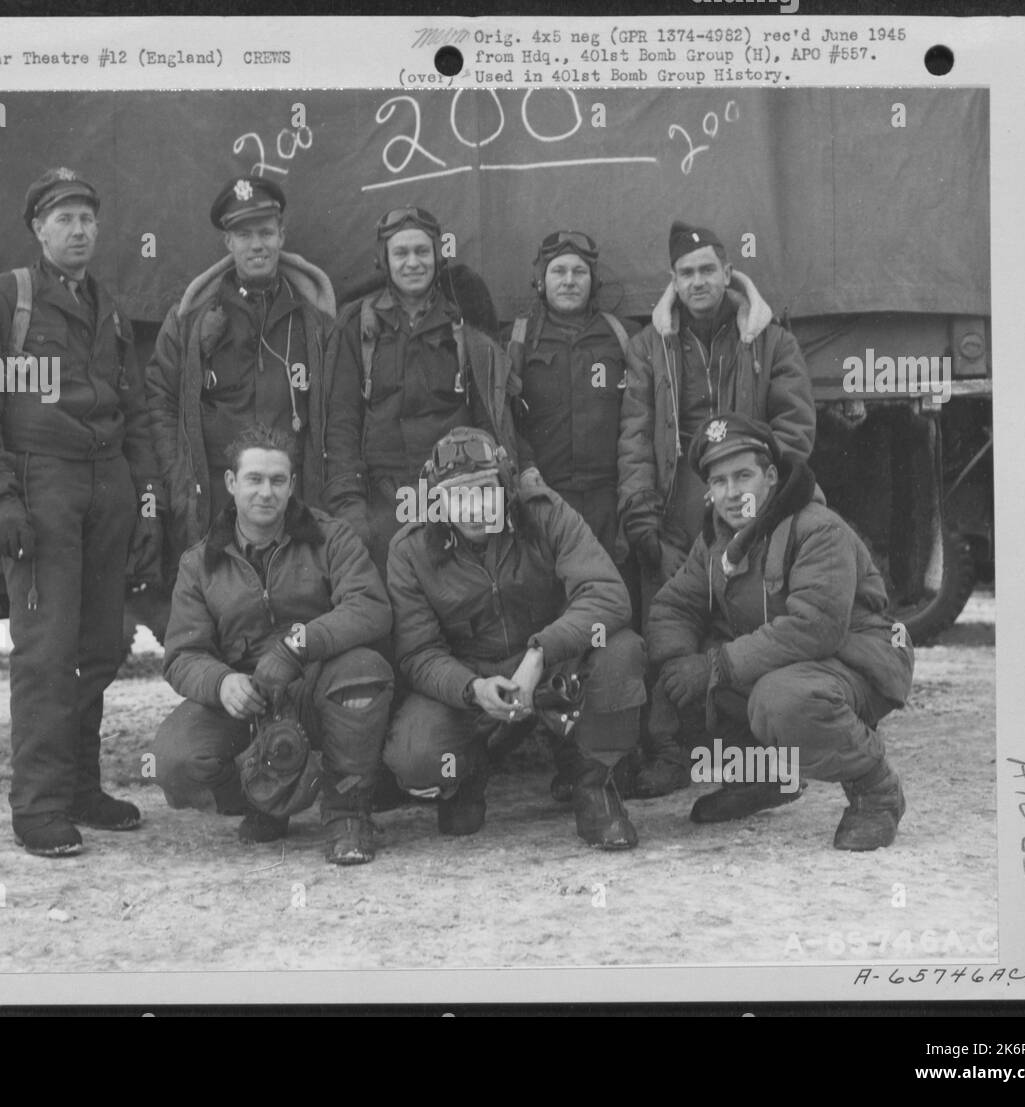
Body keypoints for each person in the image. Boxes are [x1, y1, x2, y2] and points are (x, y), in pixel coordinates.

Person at [0, 168, 163, 857]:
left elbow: (132, 410)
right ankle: (37, 806)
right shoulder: (4, 299)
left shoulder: (107, 307)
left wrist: (145, 501)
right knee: (46, 652)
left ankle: (79, 787)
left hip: (107, 487)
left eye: (87, 219)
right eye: (63, 218)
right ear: (38, 229)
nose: (78, 230)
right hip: (41, 486)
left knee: (101, 643)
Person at [647, 414, 913, 851]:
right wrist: (678, 664)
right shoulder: (715, 542)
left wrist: (715, 665)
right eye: (718, 482)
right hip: (786, 664)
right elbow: (674, 605)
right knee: (676, 683)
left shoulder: (817, 529)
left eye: (743, 476)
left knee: (781, 700)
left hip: (856, 662)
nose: (732, 494)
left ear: (770, 476)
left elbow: (816, 628)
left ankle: (876, 791)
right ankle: (763, 777)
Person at [618, 220, 816, 796]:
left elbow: (796, 430)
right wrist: (640, 512)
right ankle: (672, 750)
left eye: (708, 269)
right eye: (686, 273)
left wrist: (760, 501)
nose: (698, 281)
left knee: (748, 618)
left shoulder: (771, 340)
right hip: (677, 502)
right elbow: (633, 437)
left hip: (745, 501)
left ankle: (756, 756)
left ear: (728, 273)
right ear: (672, 281)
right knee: (668, 619)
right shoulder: (647, 347)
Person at [383, 426, 647, 850]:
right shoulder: (411, 549)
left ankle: (597, 785)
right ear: (437, 499)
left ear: (505, 485)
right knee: (416, 756)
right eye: (457, 495)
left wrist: (541, 652)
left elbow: (608, 595)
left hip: (551, 667)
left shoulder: (544, 512)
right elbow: (418, 653)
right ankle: (467, 774)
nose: (472, 508)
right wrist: (472, 689)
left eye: (484, 491)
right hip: (474, 680)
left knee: (619, 650)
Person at [153, 424, 394, 865]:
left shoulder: (331, 537)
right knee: (174, 758)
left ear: (292, 486)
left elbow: (369, 607)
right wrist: (222, 683)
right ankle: (263, 798)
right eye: (254, 479)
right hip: (250, 699)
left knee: (365, 671)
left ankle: (346, 813)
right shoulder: (199, 563)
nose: (266, 492)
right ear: (231, 483)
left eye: (278, 481)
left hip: (315, 684)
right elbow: (182, 655)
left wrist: (298, 645)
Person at [146, 166, 335, 594]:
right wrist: (179, 483)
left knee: (295, 604)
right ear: (228, 242)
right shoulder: (191, 321)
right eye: (245, 235)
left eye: (266, 233)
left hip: (291, 496)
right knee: (217, 607)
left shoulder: (314, 324)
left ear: (282, 236)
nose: (257, 245)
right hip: (215, 497)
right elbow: (160, 400)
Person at [323, 206, 533, 577]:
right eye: (401, 253)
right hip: (382, 499)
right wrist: (350, 506)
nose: (413, 263)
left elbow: (490, 416)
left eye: (422, 251)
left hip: (456, 492)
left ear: (437, 256)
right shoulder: (356, 326)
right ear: (384, 261)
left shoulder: (464, 323)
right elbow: (342, 422)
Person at [507, 230, 638, 566]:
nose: (569, 281)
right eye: (558, 271)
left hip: (610, 499)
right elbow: (504, 417)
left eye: (579, 272)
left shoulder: (624, 336)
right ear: (540, 280)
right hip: (546, 499)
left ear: (593, 281)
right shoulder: (516, 341)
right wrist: (525, 468)